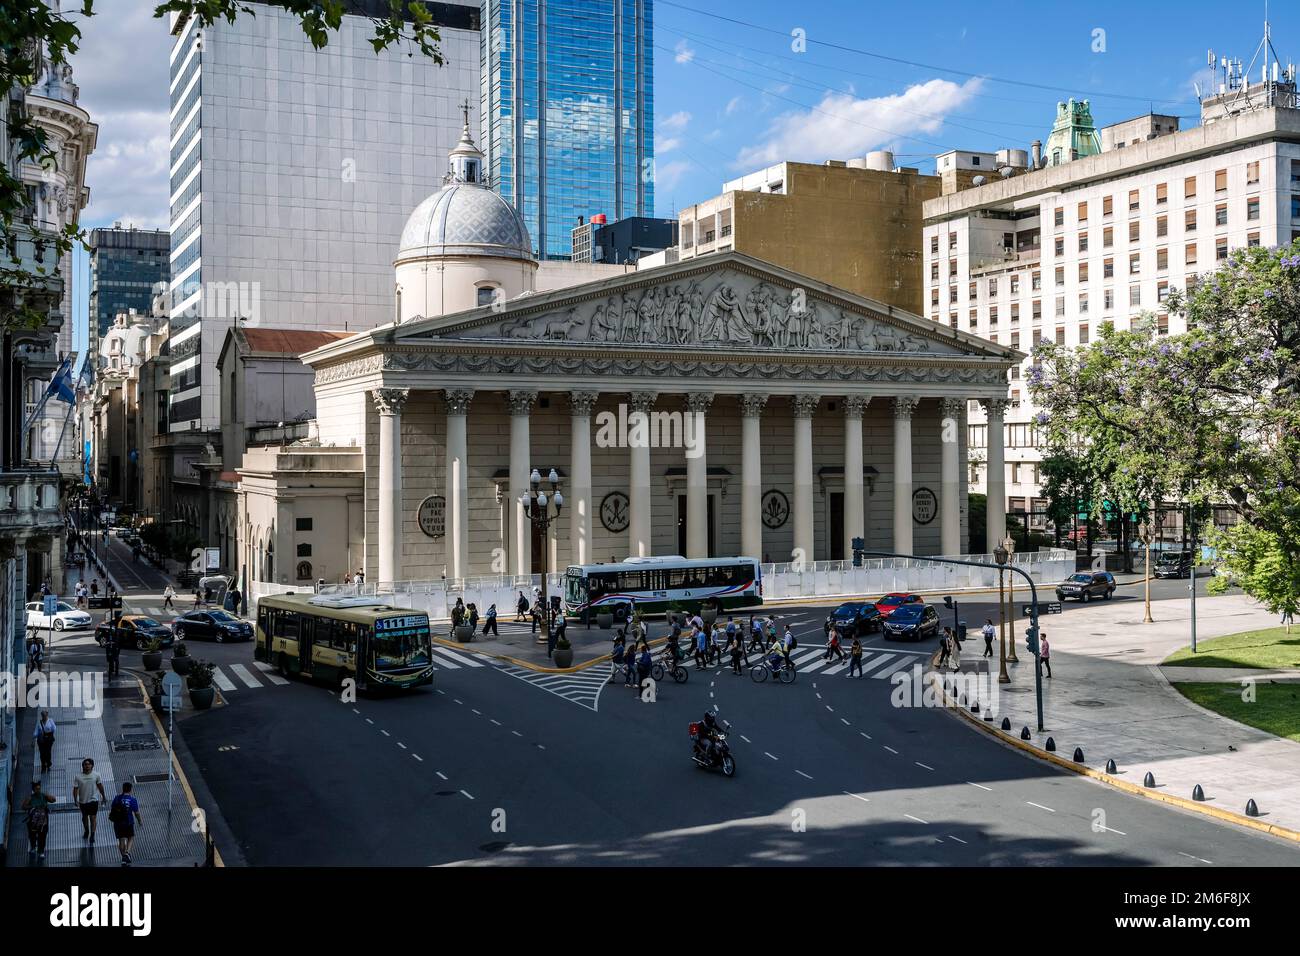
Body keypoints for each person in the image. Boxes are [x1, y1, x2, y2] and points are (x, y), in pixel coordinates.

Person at [73, 758, 107, 843]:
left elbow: (100, 786)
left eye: (88, 764)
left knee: (93, 817)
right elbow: (75, 789)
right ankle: (86, 830)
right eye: (85, 764)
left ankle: (92, 834)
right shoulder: (78, 776)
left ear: (92, 765)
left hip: (93, 800)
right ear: (83, 766)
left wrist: (103, 796)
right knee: (84, 817)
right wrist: (75, 800)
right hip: (83, 801)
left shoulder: (96, 775)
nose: (87, 766)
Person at [109, 781, 142, 865]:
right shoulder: (132, 800)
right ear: (130, 789)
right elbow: (136, 812)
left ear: (123, 789)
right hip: (128, 822)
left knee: (121, 840)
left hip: (118, 823)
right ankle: (127, 852)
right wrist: (140, 821)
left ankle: (124, 857)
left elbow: (112, 808)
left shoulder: (117, 798)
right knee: (130, 837)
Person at [22, 780, 56, 861]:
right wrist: (32, 806)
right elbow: (23, 807)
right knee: (32, 835)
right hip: (33, 822)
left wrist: (48, 796)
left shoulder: (43, 796)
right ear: (33, 789)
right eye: (36, 789)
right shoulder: (30, 798)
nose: (38, 790)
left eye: (39, 789)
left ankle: (41, 851)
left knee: (42, 836)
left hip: (43, 821)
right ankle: (33, 847)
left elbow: (53, 800)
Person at [33, 709, 56, 774]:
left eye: (45, 715)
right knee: (42, 753)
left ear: (47, 715)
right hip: (41, 741)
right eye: (42, 715)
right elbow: (36, 732)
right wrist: (34, 738)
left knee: (48, 752)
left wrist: (49, 732)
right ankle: (43, 765)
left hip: (48, 740)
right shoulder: (39, 723)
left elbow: (54, 728)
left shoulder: (50, 721)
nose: (44, 717)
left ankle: (48, 764)